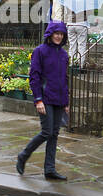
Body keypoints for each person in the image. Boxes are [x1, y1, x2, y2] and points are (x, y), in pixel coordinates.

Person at [17, 19, 71, 180]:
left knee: (54, 134)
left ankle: (49, 169)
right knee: (47, 132)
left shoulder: (64, 55)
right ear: (50, 34)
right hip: (45, 98)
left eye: (61, 34)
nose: (59, 36)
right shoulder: (40, 51)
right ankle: (23, 155)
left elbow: (65, 79)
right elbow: (34, 77)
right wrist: (38, 100)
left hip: (59, 99)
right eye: (56, 33)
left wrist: (66, 102)